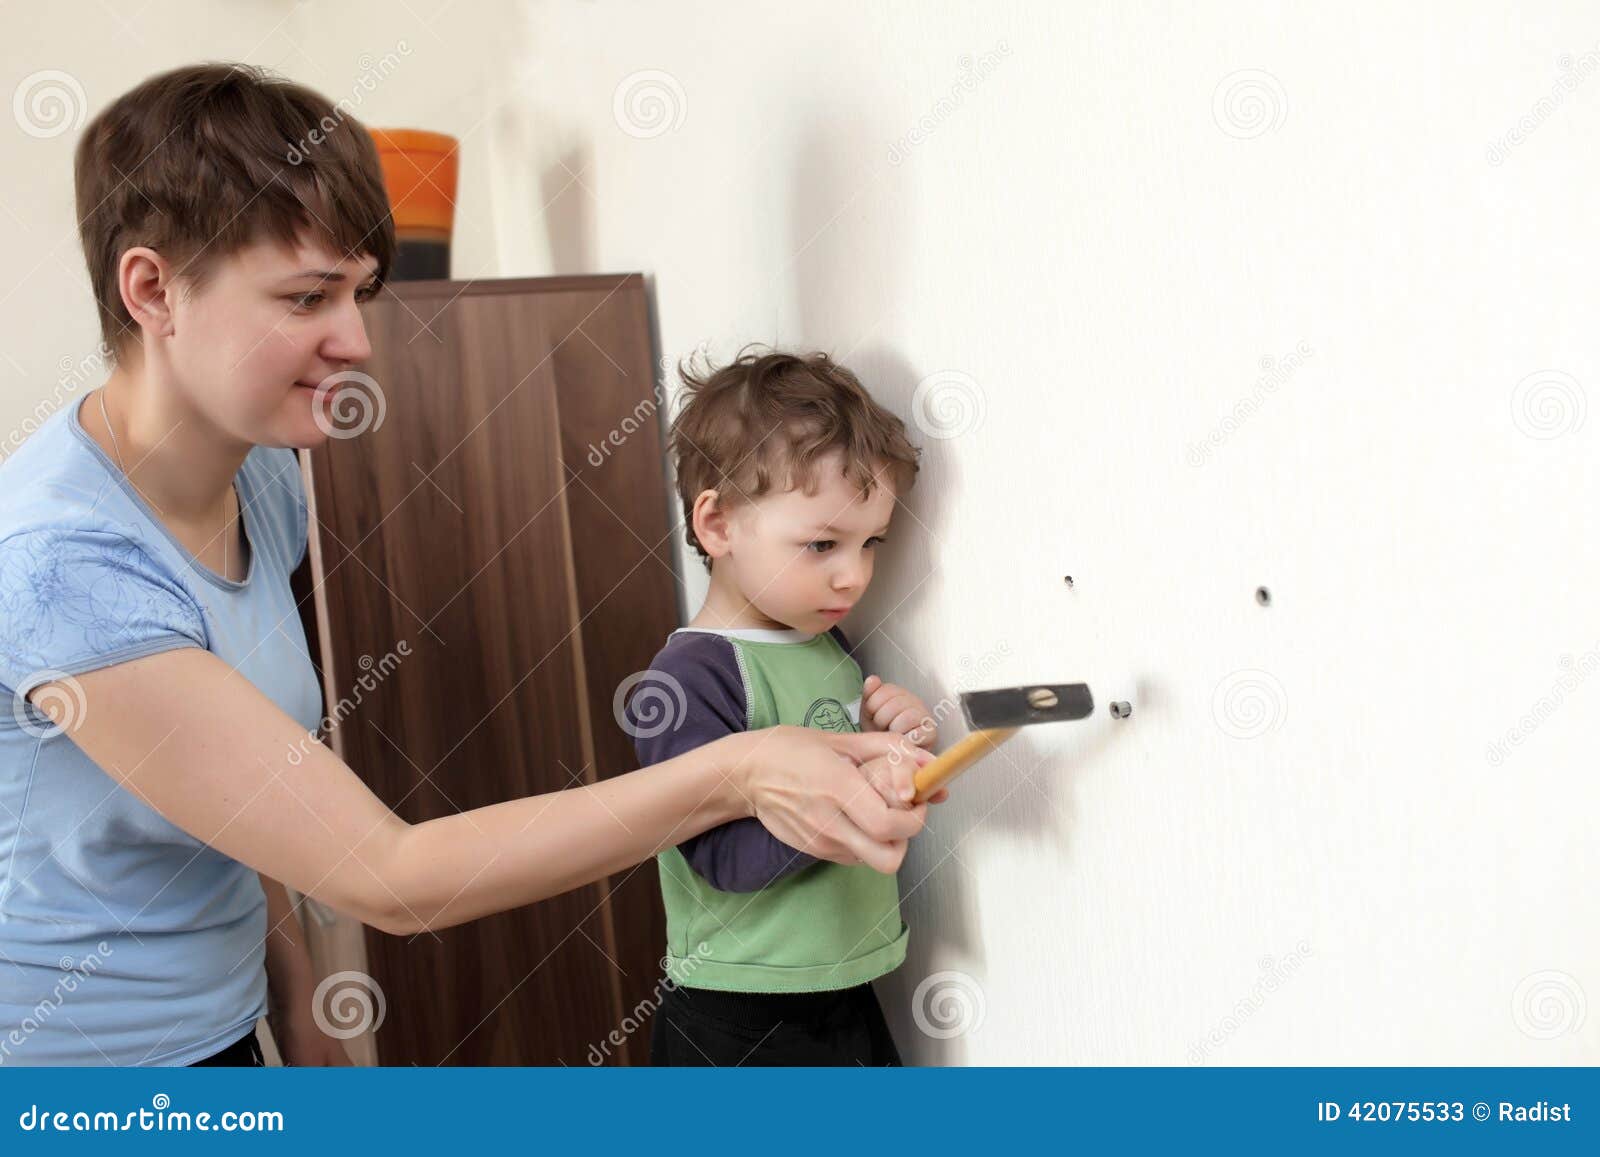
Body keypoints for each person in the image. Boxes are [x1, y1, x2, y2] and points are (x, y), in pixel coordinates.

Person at [0, 63, 933, 1068]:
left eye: (358, 292)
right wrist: (741, 768)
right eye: (308, 297)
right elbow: (391, 874)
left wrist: (301, 997)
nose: (357, 339)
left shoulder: (259, 479)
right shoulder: (64, 567)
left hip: (223, 1023)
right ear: (152, 290)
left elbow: (242, 786)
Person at [627, 349, 944, 1066]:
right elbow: (720, 858)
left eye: (871, 543)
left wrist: (884, 740)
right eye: (822, 543)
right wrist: (850, 799)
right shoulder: (690, 676)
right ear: (718, 525)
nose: (854, 575)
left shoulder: (826, 645)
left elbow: (836, 758)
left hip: (844, 983)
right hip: (739, 1013)